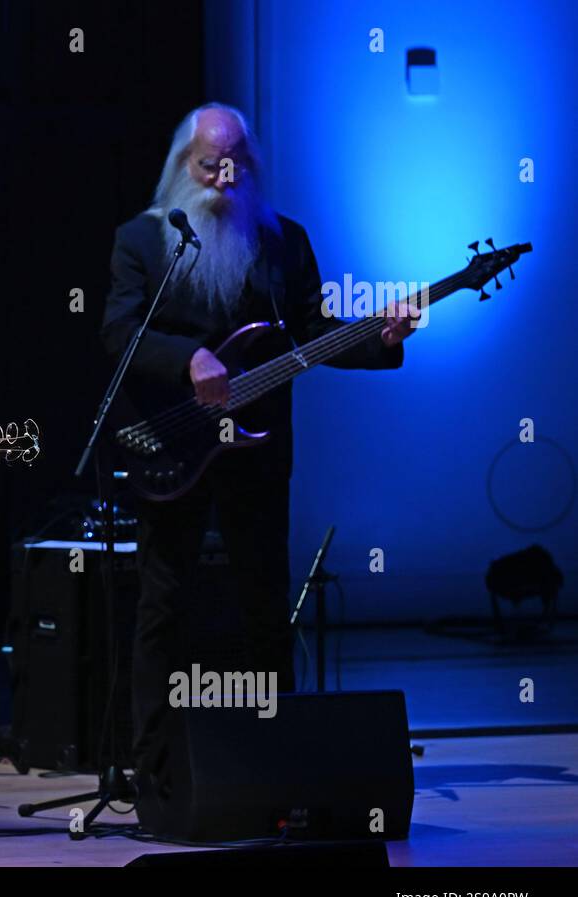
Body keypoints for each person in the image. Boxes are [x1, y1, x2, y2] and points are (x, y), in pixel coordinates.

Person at [101, 104, 419, 797]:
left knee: (265, 605)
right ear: (182, 165)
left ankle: (279, 759)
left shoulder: (284, 242)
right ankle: (151, 768)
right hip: (172, 445)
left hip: (257, 448)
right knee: (163, 603)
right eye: (209, 161)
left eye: (236, 160)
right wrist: (189, 360)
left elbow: (314, 333)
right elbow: (119, 336)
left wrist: (382, 339)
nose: (224, 173)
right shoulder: (145, 240)